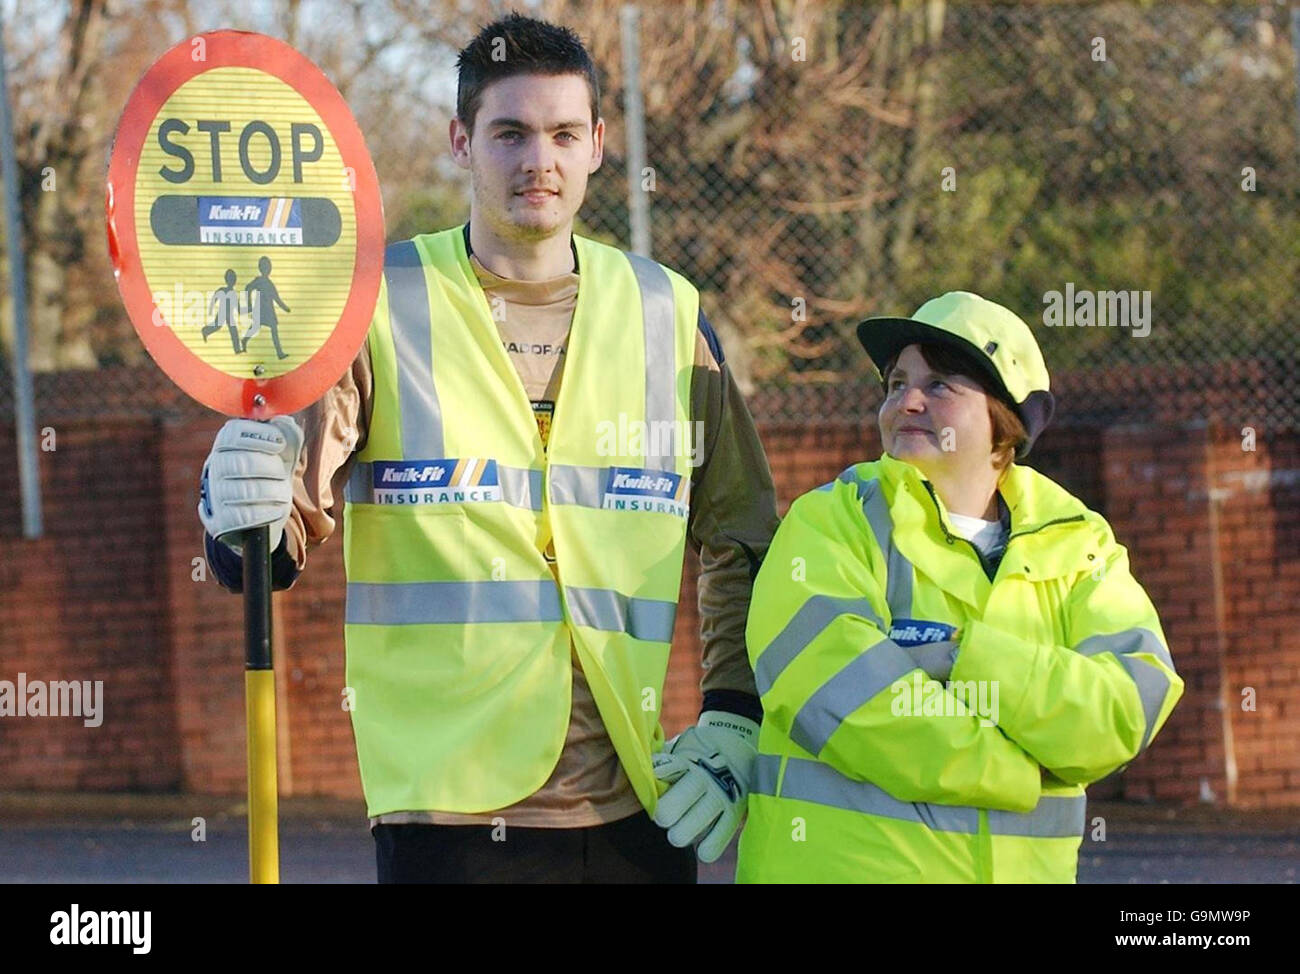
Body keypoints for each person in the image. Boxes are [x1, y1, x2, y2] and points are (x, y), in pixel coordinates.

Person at [196, 13, 779, 884]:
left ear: (598, 146)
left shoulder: (669, 314)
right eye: (509, 133)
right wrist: (240, 509)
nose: (537, 160)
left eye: (562, 133)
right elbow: (273, 546)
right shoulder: (378, 307)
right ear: (461, 141)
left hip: (635, 810)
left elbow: (741, 531)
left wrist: (734, 713)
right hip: (448, 817)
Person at [735, 291, 1183, 883]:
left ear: (1006, 422)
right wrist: (1020, 769)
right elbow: (839, 697)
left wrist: (963, 655)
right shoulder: (832, 521)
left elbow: (1127, 706)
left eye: (941, 385)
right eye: (896, 383)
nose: (907, 401)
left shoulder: (1079, 543)